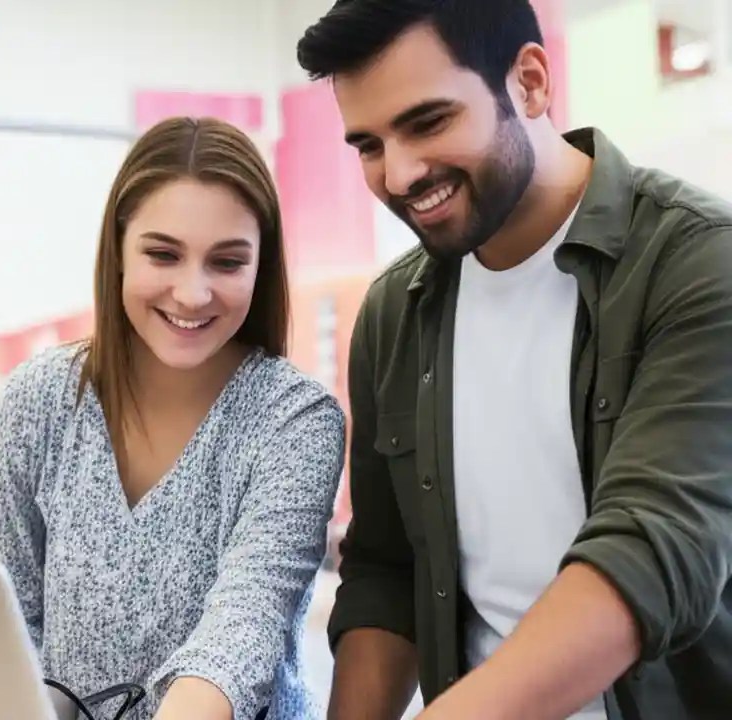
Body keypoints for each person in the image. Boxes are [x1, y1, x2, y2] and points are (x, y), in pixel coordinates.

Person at [295, 1, 732, 719]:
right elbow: (387, 571)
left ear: (530, 82)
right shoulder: (393, 314)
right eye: (368, 145)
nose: (400, 174)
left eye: (428, 122)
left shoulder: (697, 262)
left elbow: (652, 551)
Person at [0, 116, 345, 720]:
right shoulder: (38, 400)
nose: (191, 293)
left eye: (227, 263)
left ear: (261, 267)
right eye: (163, 254)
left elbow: (242, 630)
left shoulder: (295, 420)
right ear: (119, 250)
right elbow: (12, 633)